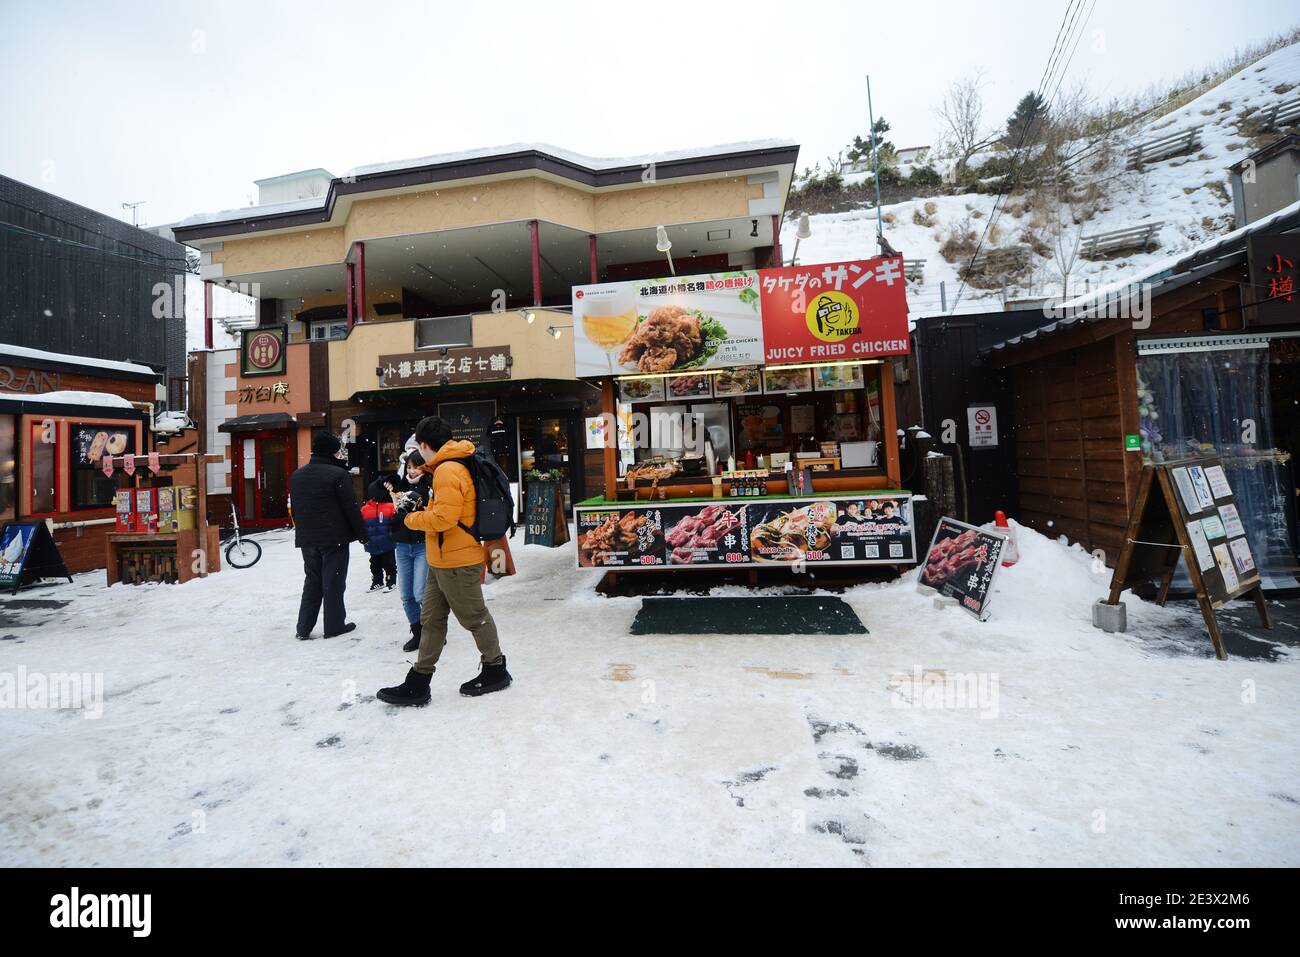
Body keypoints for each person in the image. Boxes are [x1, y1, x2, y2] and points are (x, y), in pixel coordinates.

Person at [378, 416, 511, 705]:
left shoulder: (448, 470)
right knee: (431, 621)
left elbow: (445, 519)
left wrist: (408, 519)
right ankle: (418, 681)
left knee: (474, 617)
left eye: (418, 445)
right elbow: (446, 511)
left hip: (457, 560)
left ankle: (496, 668)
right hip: (442, 559)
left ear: (424, 444)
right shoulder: (445, 468)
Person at [290, 431, 367, 639]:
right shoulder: (338, 474)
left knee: (312, 581)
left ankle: (303, 628)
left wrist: (304, 529)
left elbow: (295, 509)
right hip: (334, 537)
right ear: (333, 451)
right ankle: (334, 626)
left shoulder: (297, 475)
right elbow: (350, 507)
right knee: (333, 582)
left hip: (308, 538)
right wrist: (362, 534)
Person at [382, 449, 430, 653]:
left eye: (416, 466)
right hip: (402, 545)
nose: (412, 471)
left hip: (421, 545)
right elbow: (375, 490)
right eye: (409, 467)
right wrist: (387, 482)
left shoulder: (430, 486)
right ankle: (417, 632)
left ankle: (433, 633)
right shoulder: (399, 485)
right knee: (406, 595)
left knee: (420, 594)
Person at [361, 481, 398, 592]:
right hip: (372, 543)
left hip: (387, 543)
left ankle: (391, 581)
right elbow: (360, 525)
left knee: (389, 564)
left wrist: (393, 535)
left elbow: (395, 522)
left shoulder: (390, 506)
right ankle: (377, 581)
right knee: (374, 564)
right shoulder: (364, 509)